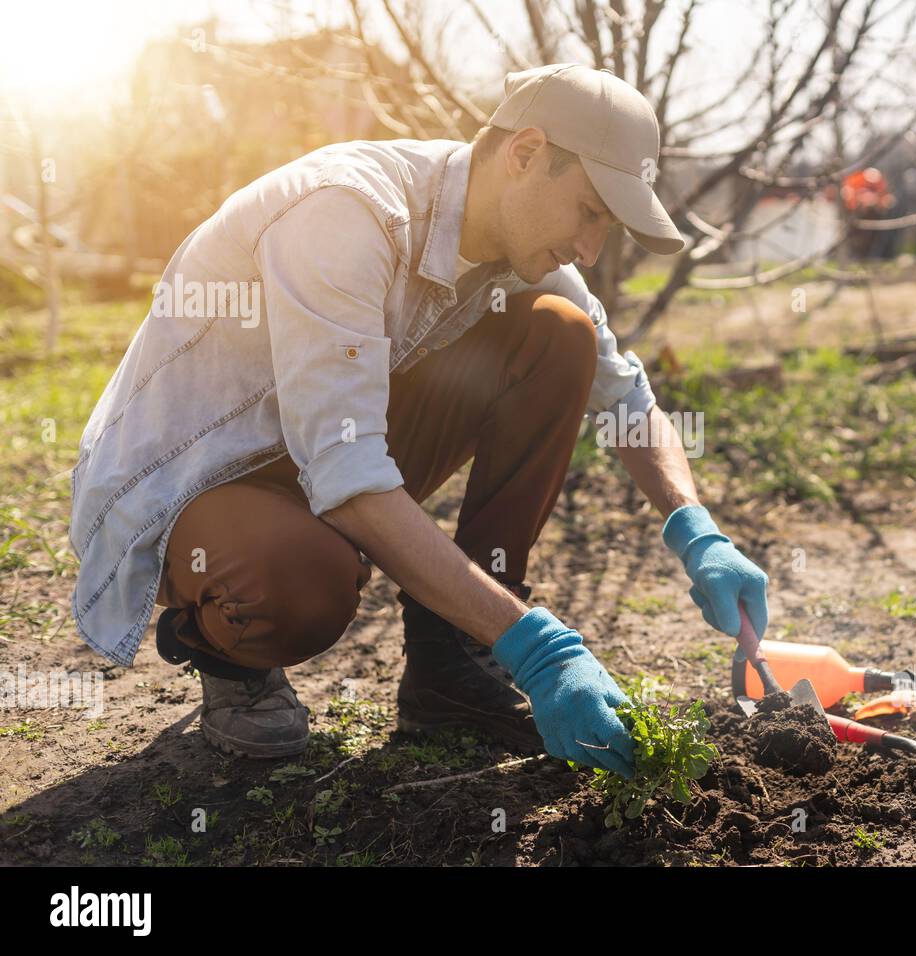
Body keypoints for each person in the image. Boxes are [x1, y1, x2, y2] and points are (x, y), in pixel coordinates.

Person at [68, 63, 769, 776]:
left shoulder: (518, 248)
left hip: (315, 452)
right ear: (524, 154)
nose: (589, 249)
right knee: (301, 585)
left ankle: (449, 663)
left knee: (561, 334)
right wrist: (536, 647)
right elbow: (351, 478)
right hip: (197, 480)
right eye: (589, 212)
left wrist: (696, 529)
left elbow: (628, 400)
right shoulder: (346, 215)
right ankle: (230, 651)